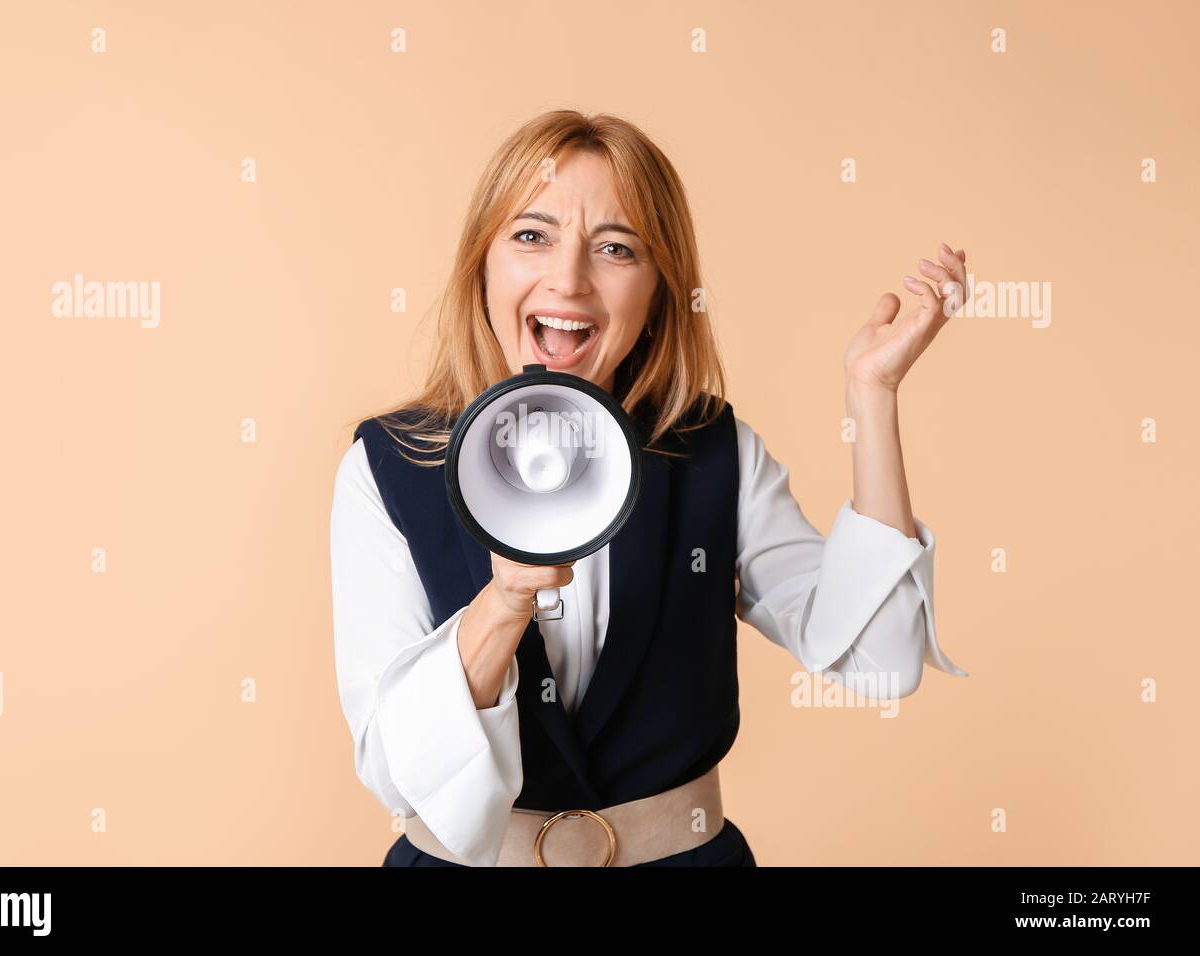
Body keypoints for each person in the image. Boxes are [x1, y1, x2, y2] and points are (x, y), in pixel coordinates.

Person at [331, 110, 968, 867]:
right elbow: (395, 773)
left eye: (615, 248)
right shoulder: (388, 465)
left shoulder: (712, 451)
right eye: (531, 236)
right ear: (483, 265)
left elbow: (881, 660)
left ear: (660, 288)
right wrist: (500, 607)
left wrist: (873, 392)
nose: (568, 279)